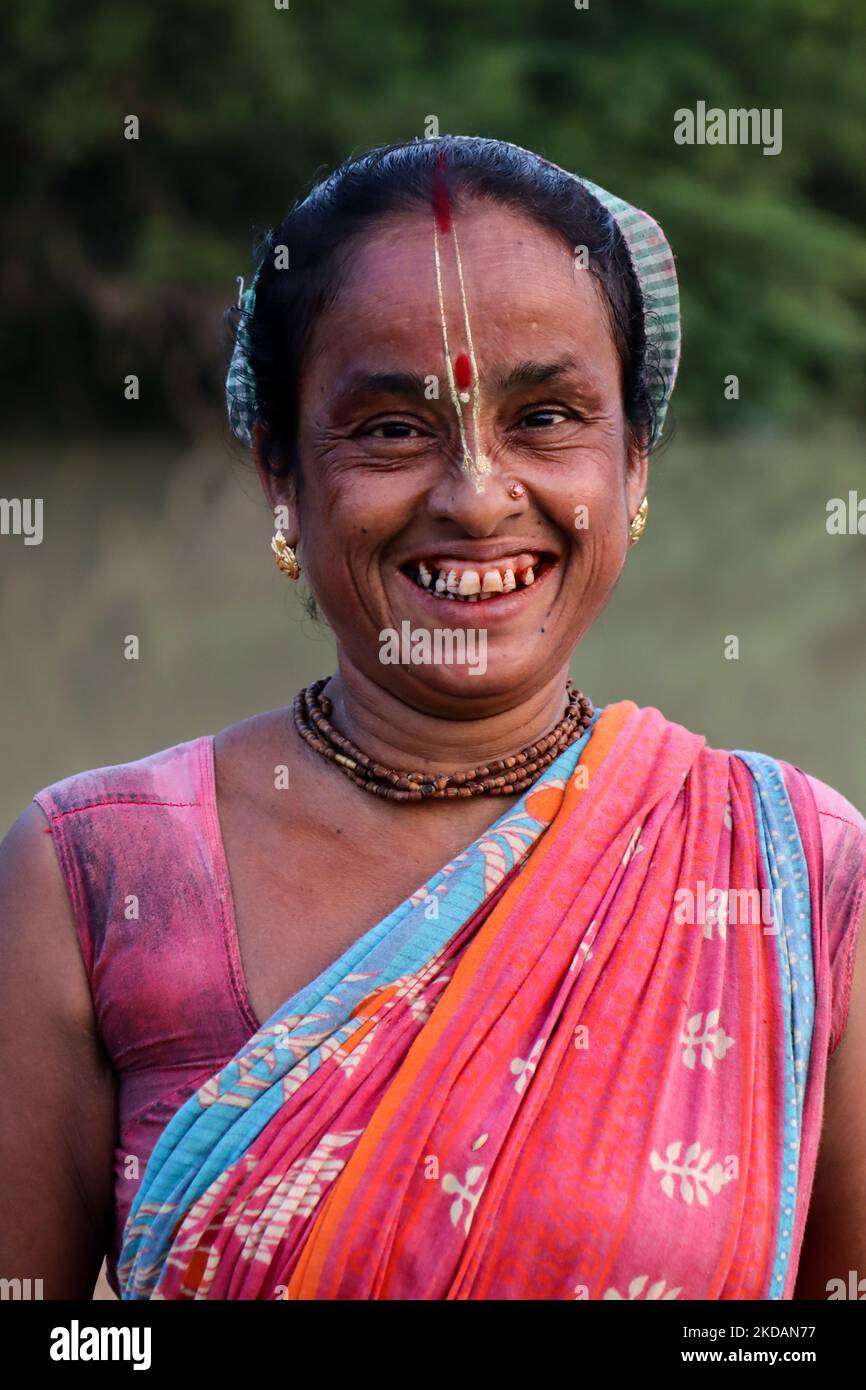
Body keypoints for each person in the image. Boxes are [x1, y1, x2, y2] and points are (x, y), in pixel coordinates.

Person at [1, 135, 863, 1301]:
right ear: (278, 475)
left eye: (547, 416)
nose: (475, 495)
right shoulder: (90, 872)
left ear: (636, 463)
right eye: (393, 430)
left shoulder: (792, 871)